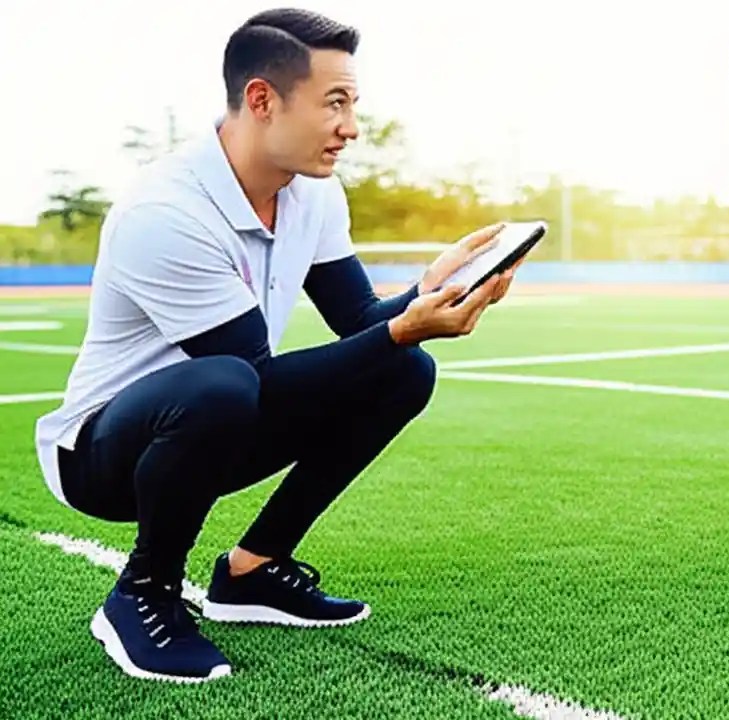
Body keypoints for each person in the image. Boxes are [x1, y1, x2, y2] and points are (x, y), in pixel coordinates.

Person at [33, 8, 520, 683]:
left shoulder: (312, 194)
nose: (351, 126)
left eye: (354, 103)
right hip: (105, 455)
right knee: (225, 383)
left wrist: (429, 291)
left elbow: (359, 321)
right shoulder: (165, 211)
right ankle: (141, 594)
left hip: (221, 424)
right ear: (262, 99)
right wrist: (400, 327)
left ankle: (252, 570)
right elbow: (254, 376)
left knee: (403, 371)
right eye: (335, 103)